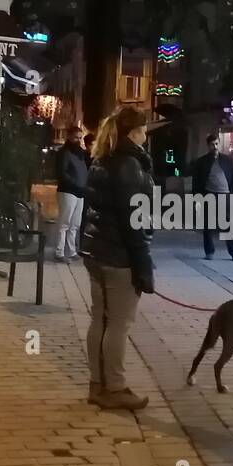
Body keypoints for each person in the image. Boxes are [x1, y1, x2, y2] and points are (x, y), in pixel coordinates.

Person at [81, 105, 155, 411]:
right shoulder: (128, 164)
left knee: (100, 319)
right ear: (134, 132)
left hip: (97, 250)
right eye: (144, 129)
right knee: (119, 324)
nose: (147, 134)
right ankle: (115, 387)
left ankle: (98, 384)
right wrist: (143, 264)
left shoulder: (105, 158)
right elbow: (132, 221)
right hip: (118, 255)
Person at [190, 134, 233, 260]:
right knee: (208, 224)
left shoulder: (226, 160)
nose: (215, 146)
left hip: (225, 194)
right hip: (209, 194)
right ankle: (209, 251)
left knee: (228, 224)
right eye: (213, 144)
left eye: (217, 144)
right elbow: (196, 181)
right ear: (208, 146)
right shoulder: (202, 162)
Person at [53, 129, 89, 262]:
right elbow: (62, 173)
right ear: (69, 137)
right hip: (68, 191)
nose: (78, 141)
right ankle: (59, 252)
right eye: (76, 138)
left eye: (80, 138)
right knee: (64, 223)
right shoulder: (64, 153)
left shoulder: (80, 154)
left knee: (75, 224)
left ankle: (72, 251)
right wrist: (76, 184)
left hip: (79, 192)